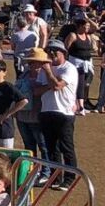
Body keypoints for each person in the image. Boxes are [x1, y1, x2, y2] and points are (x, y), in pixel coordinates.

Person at [28, 41, 80, 179]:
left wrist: (49, 73)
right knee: (52, 149)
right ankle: (55, 177)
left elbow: (58, 86)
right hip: (46, 111)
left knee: (66, 147)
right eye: (49, 52)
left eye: (55, 52)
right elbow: (36, 91)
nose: (51, 54)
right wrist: (50, 84)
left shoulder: (69, 69)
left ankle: (70, 178)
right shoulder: (45, 70)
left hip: (64, 112)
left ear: (63, 53)